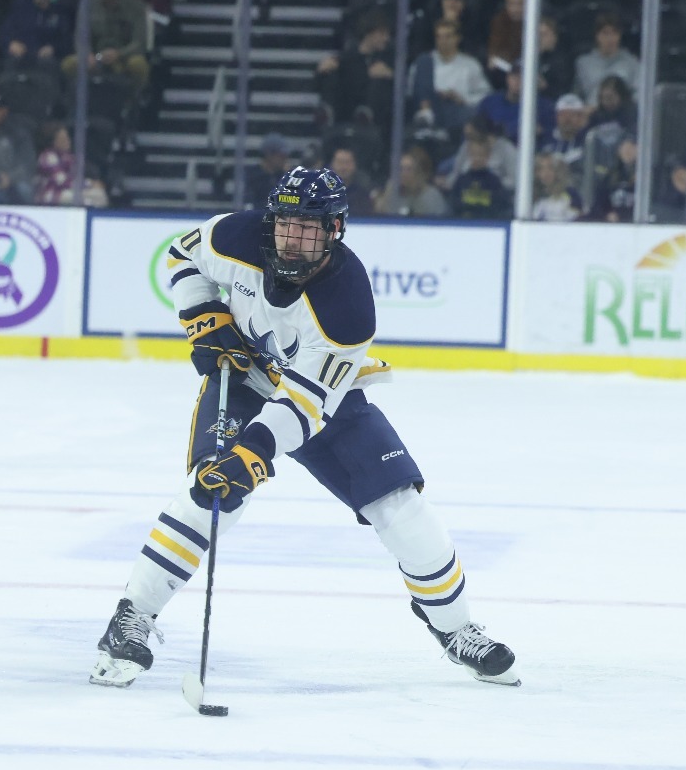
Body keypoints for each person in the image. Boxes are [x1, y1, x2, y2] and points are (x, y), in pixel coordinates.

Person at [88, 166, 518, 690]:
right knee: (210, 490)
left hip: (320, 397)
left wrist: (254, 452)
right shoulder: (235, 236)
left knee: (401, 506)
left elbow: (302, 405)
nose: (292, 239)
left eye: (308, 228)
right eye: (286, 224)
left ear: (334, 230)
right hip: (244, 377)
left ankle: (455, 628)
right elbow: (182, 254)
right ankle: (130, 617)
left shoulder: (348, 305)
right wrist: (203, 316)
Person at [64, 0, 151, 94]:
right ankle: (76, 99)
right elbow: (80, 36)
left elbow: (139, 42)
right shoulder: (89, 5)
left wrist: (119, 54)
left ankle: (134, 100)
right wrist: (88, 54)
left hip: (124, 56)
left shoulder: (137, 7)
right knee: (69, 64)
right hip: (97, 55)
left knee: (138, 64)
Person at [407, 18, 488, 137]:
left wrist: (462, 98)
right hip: (431, 106)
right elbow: (411, 90)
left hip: (457, 109)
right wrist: (433, 93)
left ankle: (439, 132)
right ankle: (426, 117)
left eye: (448, 36)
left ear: (458, 38)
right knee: (423, 60)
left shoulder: (470, 64)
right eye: (439, 37)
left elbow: (485, 95)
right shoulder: (425, 62)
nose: (443, 41)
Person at [0, 0, 71, 68]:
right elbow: (4, 33)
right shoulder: (19, 9)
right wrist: (11, 44)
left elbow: (67, 41)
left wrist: (53, 49)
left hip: (48, 63)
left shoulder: (61, 12)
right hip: (19, 60)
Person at [575, 16, 642, 105]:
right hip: (592, 111)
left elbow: (639, 95)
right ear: (597, 36)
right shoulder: (583, 63)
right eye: (605, 33)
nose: (610, 38)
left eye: (614, 33)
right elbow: (576, 97)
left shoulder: (632, 63)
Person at [376, 145, 449, 218]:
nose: (403, 174)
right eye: (401, 169)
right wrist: (387, 193)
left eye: (408, 169)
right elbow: (382, 217)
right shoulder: (394, 191)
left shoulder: (432, 196)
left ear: (419, 172)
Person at [530, 150, 582, 222]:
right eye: (541, 169)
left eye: (550, 167)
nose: (546, 173)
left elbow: (579, 218)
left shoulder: (570, 193)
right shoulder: (529, 196)